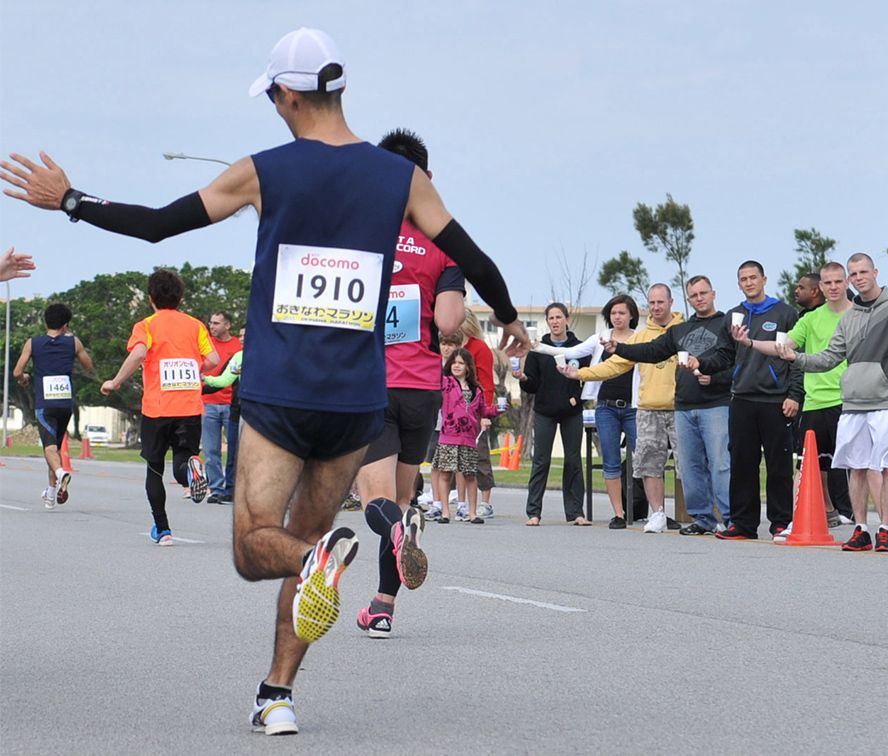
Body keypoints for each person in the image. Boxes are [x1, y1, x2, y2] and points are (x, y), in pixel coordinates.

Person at [0, 27, 526, 736]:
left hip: (280, 394)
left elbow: (159, 226)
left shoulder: (265, 169)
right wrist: (515, 319)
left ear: (286, 94)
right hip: (356, 399)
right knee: (303, 561)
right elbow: (475, 258)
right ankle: (277, 691)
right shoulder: (402, 178)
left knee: (256, 545)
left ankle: (316, 562)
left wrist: (71, 201)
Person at [352, 127, 466, 639]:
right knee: (398, 498)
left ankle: (401, 532)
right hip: (422, 389)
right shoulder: (445, 248)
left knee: (374, 501)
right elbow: (448, 323)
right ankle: (381, 606)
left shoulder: (356, 235)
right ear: (428, 179)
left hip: (369, 384)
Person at [764, 253, 888, 552]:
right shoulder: (850, 316)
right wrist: (797, 357)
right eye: (854, 274)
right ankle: (861, 528)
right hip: (853, 403)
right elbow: (830, 357)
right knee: (856, 467)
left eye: (863, 272)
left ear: (875, 272)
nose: (859, 278)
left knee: (886, 466)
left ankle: (886, 528)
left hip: (887, 399)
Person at [607, 275, 734, 534]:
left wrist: (717, 377)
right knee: (690, 466)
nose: (699, 298)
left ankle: (732, 518)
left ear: (713, 294)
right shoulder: (680, 330)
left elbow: (736, 362)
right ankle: (702, 518)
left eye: (703, 293)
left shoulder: (726, 324)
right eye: (694, 295)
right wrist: (619, 348)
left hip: (716, 405)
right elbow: (651, 351)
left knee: (720, 463)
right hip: (684, 406)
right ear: (688, 299)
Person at [100, 269, 218, 544]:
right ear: (181, 297)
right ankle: (192, 468)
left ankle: (163, 530)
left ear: (151, 298)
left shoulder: (147, 325)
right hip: (189, 405)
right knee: (183, 458)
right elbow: (211, 359)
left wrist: (115, 382)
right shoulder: (195, 325)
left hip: (157, 408)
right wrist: (192, 365)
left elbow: (139, 352)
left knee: (155, 468)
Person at [695, 260, 803, 540]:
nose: (749, 282)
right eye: (743, 279)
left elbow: (795, 359)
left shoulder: (784, 313)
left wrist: (794, 394)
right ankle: (742, 524)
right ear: (739, 284)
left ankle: (781, 523)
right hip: (742, 399)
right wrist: (701, 363)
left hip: (775, 400)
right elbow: (723, 356)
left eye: (753, 277)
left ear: (764, 279)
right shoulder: (733, 315)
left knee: (779, 465)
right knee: (742, 463)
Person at [568, 284, 683, 533]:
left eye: (660, 302)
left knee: (666, 463)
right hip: (616, 408)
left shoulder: (672, 332)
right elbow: (611, 365)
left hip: (650, 407)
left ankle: (672, 513)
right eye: (651, 303)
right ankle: (625, 514)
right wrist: (578, 372)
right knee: (628, 461)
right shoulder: (620, 339)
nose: (655, 307)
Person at [536, 295, 640, 528]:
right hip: (606, 407)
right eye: (613, 313)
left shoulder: (640, 339)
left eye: (622, 313)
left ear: (631, 315)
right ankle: (619, 514)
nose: (617, 317)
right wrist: (536, 346)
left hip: (634, 407)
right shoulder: (600, 338)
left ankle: (656, 512)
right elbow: (573, 353)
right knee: (611, 461)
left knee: (644, 459)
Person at [786, 262, 853, 534]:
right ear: (821, 287)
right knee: (807, 464)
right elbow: (787, 344)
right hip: (815, 402)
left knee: (857, 465)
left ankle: (866, 521)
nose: (833, 287)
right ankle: (800, 517)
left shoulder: (860, 314)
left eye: (838, 281)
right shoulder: (810, 319)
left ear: (846, 282)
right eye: (828, 283)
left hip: (851, 400)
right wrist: (752, 343)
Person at [12, 302, 95, 507]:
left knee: (49, 449)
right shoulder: (73, 342)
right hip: (65, 404)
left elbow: (16, 372)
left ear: (45, 321)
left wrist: (24, 378)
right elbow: (88, 366)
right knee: (54, 450)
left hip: (45, 405)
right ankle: (50, 496)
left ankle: (61, 473)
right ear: (66, 325)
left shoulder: (33, 343)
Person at [518, 303, 588, 525]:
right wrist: (523, 379)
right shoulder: (539, 349)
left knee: (574, 461)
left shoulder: (580, 348)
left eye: (559, 317)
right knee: (541, 461)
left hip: (572, 412)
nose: (555, 321)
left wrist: (577, 398)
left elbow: (589, 378)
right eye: (551, 318)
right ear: (547, 322)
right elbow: (532, 385)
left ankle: (576, 512)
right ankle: (534, 513)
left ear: (567, 319)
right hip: (545, 412)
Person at [432, 348, 497, 524]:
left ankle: (472, 513)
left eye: (461, 363)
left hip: (469, 437)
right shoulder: (445, 383)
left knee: (470, 475)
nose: (456, 366)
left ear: (468, 367)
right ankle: (445, 512)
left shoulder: (477, 389)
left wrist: (497, 410)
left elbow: (483, 410)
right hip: (448, 435)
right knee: (445, 474)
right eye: (454, 363)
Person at [460, 311, 502, 520]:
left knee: (480, 456)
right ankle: (460, 500)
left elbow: (486, 383)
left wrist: (484, 412)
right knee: (457, 456)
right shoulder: (454, 347)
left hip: (476, 409)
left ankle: (485, 502)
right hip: (457, 409)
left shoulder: (480, 348)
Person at [201, 310, 243, 504]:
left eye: (217, 323)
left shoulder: (238, 347)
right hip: (208, 404)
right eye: (211, 322)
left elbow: (228, 378)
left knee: (234, 451)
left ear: (227, 325)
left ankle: (231, 489)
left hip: (231, 405)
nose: (212, 326)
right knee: (211, 451)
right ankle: (216, 489)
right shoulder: (205, 344)